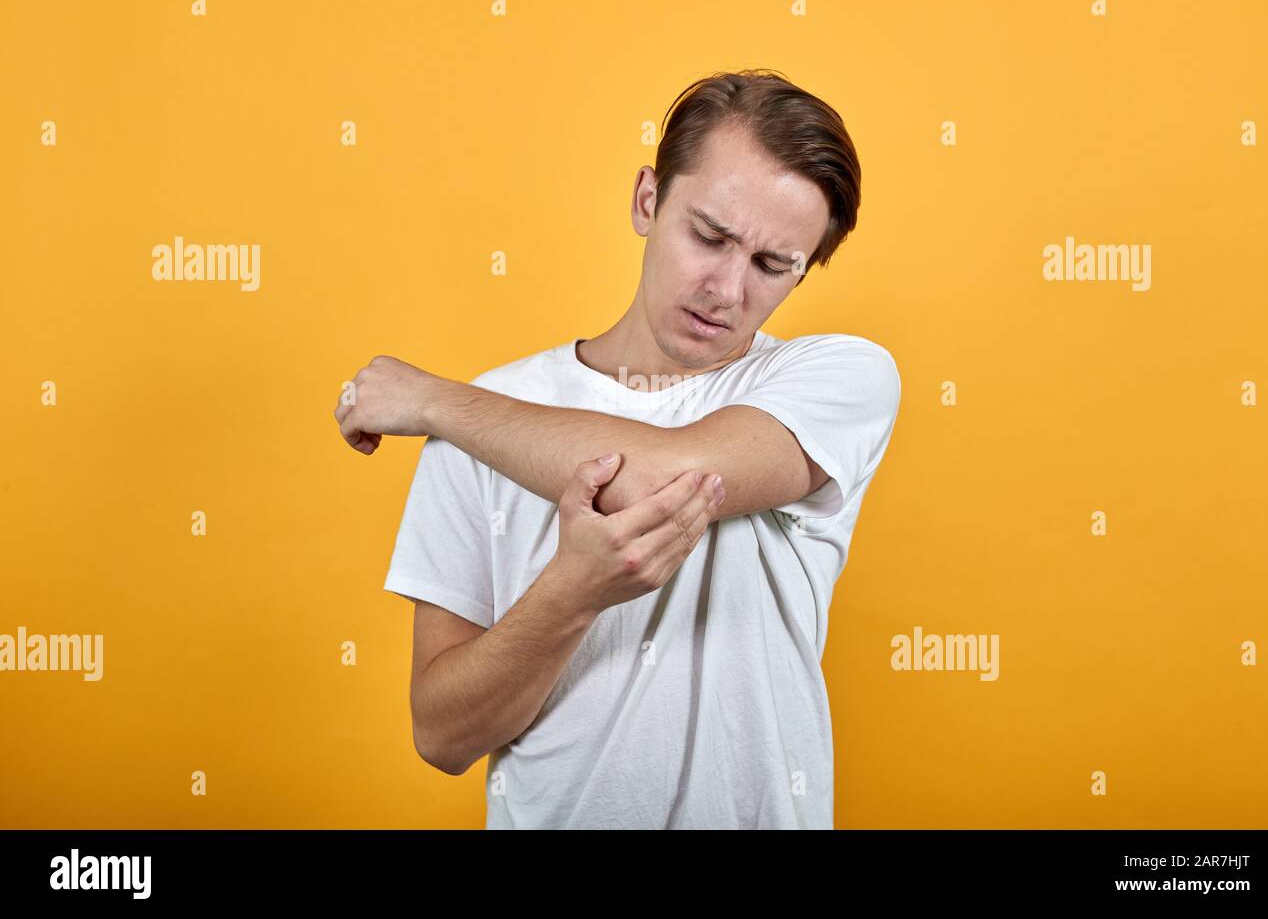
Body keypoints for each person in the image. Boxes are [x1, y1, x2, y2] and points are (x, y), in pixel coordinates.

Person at [332, 69, 902, 828]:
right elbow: (441, 735)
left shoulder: (839, 378)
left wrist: (435, 399)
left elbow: (669, 472)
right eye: (710, 236)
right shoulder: (486, 419)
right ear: (647, 201)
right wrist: (570, 594)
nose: (727, 289)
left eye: (772, 266)